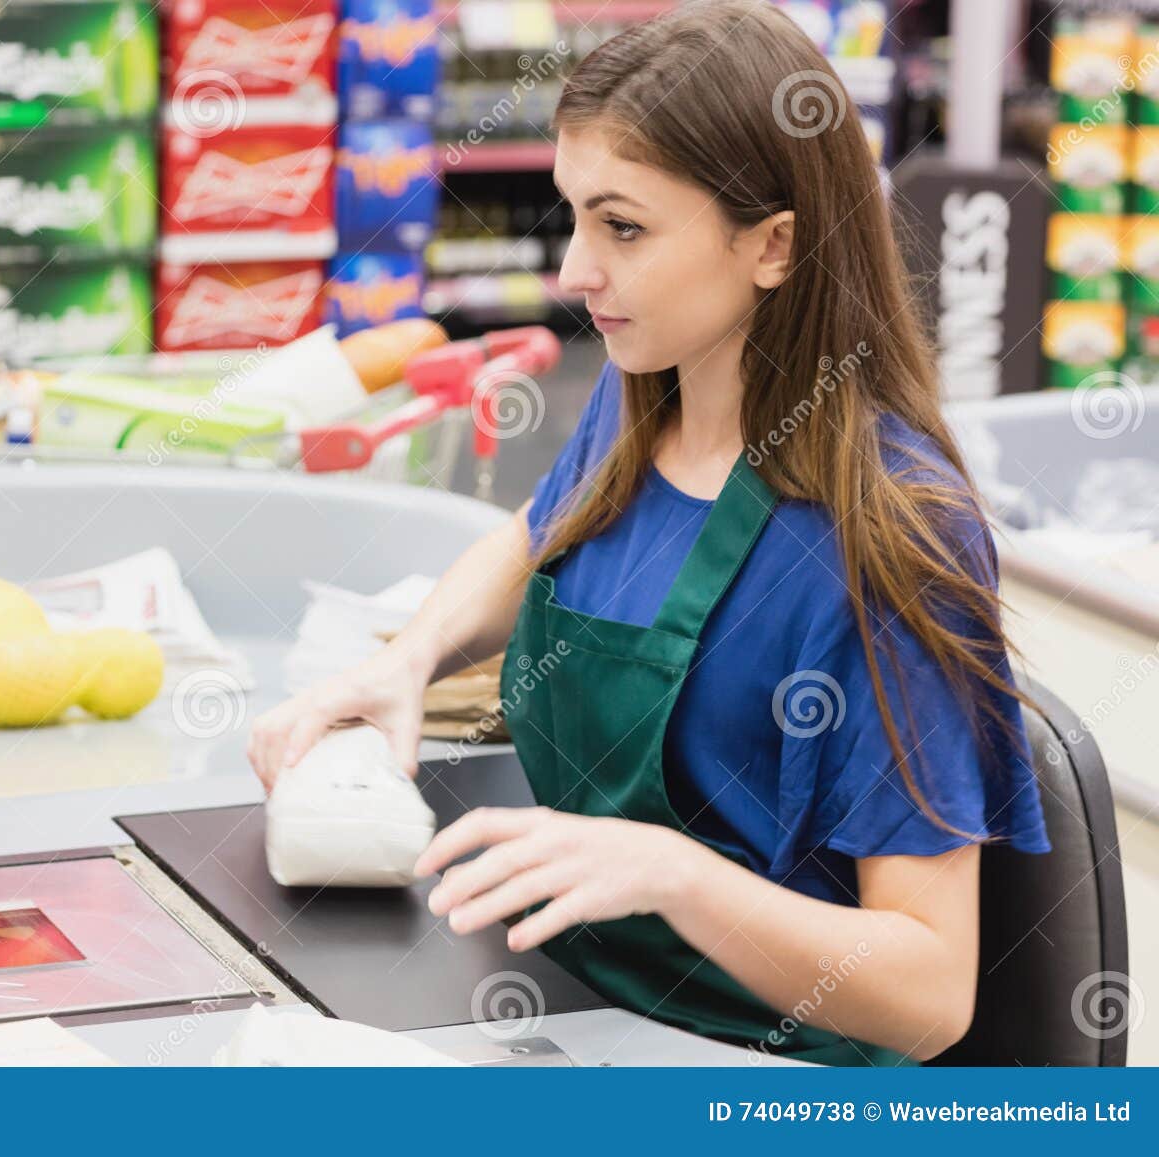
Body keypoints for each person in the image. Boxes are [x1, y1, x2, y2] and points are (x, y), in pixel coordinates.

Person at [247, 0, 1050, 1066]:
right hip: (573, 1001)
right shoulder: (647, 393)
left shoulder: (891, 538)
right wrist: (411, 657)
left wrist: (674, 874)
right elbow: (541, 532)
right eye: (574, 216)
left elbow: (930, 990)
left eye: (622, 227)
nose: (575, 271)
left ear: (773, 245)